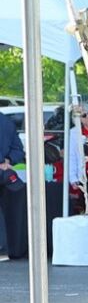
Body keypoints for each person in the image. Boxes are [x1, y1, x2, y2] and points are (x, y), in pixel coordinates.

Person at [0, 111, 25, 261]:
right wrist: (7, 161)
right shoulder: (7, 122)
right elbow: (18, 150)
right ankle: (5, 248)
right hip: (4, 173)